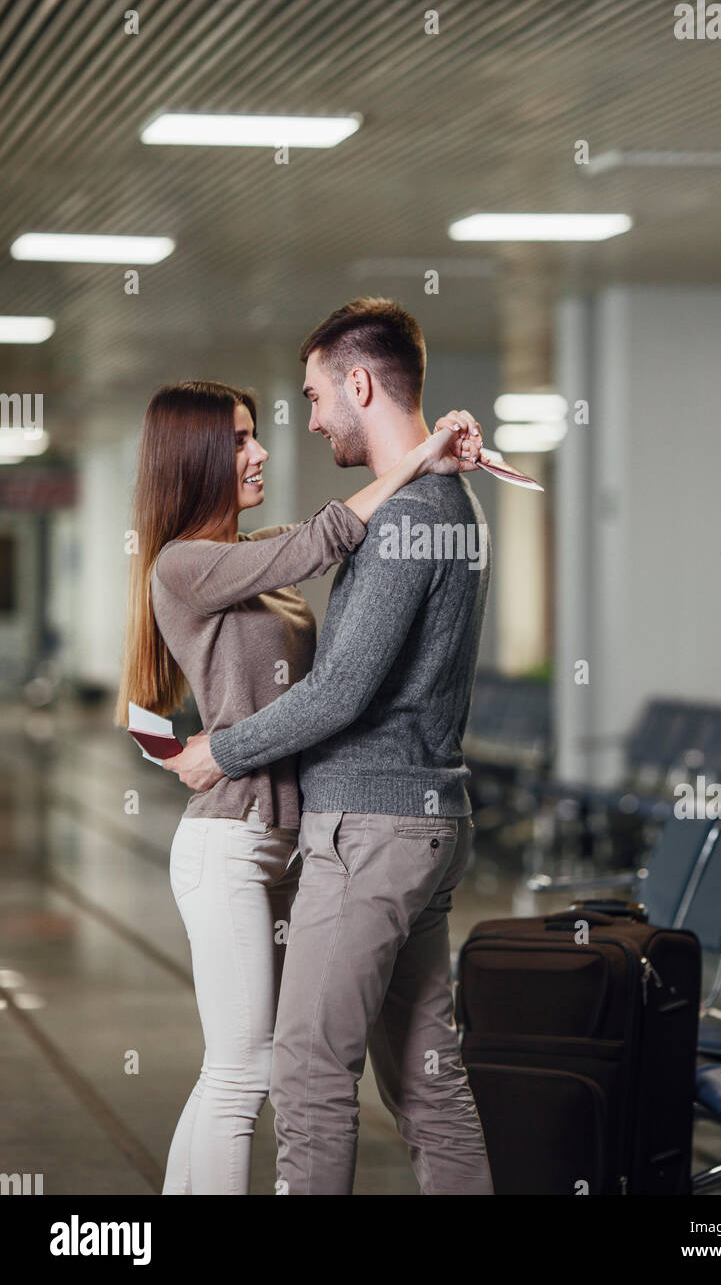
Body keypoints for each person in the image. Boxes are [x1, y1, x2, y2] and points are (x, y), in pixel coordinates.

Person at [116, 376, 481, 1194]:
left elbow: (330, 535)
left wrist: (432, 464)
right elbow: (329, 536)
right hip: (231, 842)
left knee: (268, 1062)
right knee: (245, 1068)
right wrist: (419, 458)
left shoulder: (251, 560)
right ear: (197, 456)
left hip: (293, 837)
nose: (262, 451)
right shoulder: (185, 565)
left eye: (256, 434)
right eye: (241, 440)